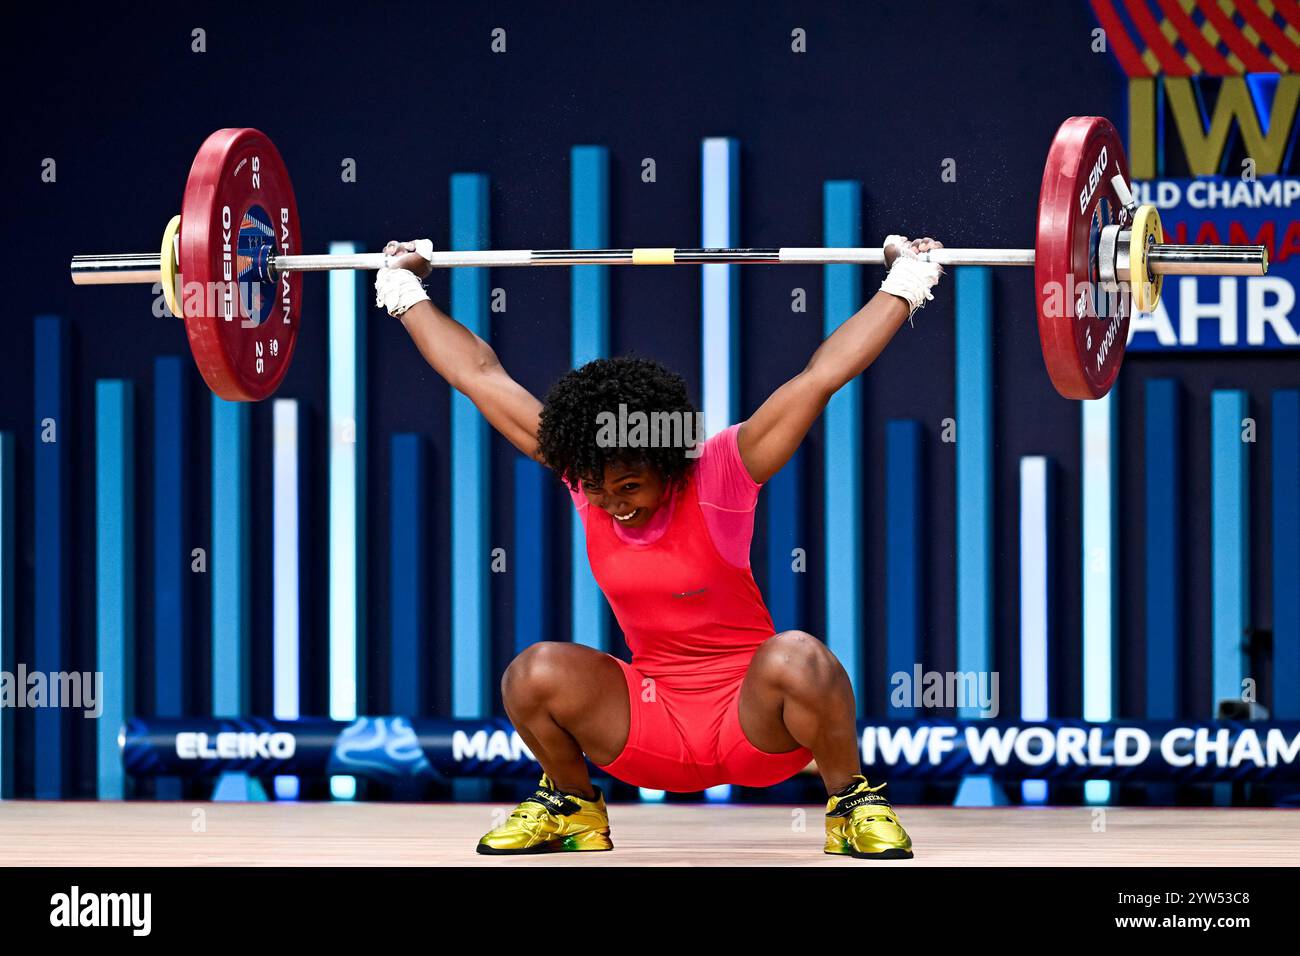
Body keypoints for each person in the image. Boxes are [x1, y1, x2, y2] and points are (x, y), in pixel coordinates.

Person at [376, 235, 944, 859]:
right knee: (533, 672)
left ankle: (853, 805)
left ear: (666, 462)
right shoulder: (582, 469)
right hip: (649, 727)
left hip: (754, 724)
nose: (612, 501)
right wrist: (405, 290)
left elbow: (822, 376)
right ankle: (573, 808)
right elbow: (480, 376)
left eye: (629, 485)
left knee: (798, 656)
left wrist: (906, 283)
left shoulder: (722, 471)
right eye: (595, 487)